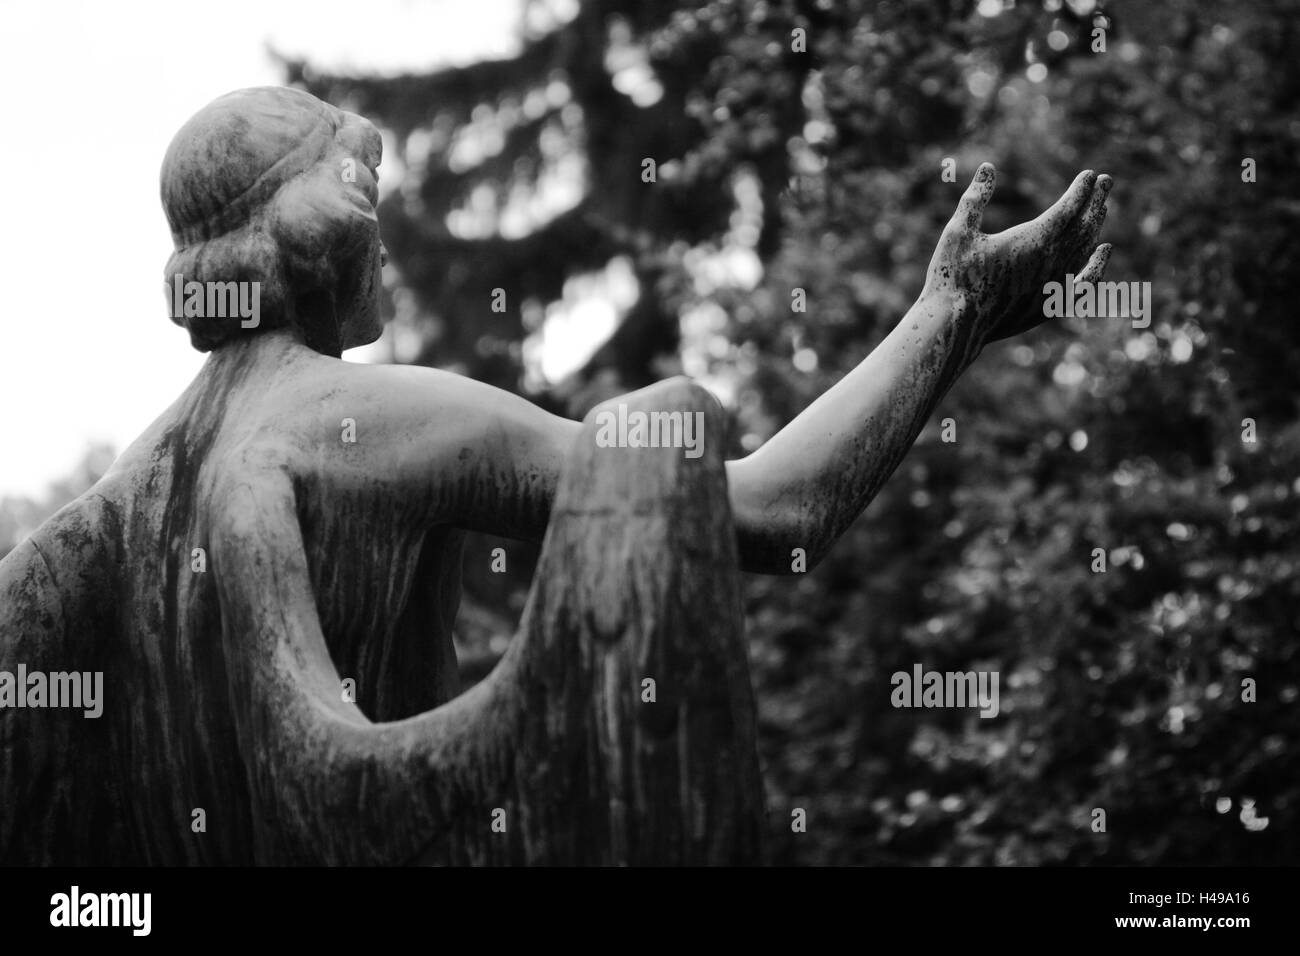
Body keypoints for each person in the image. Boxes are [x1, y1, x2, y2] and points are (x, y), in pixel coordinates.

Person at [0, 87, 1111, 863]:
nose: (381, 230)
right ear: (317, 231)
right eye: (363, 201)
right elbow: (775, 512)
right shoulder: (373, 419)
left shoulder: (88, 532)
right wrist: (950, 314)